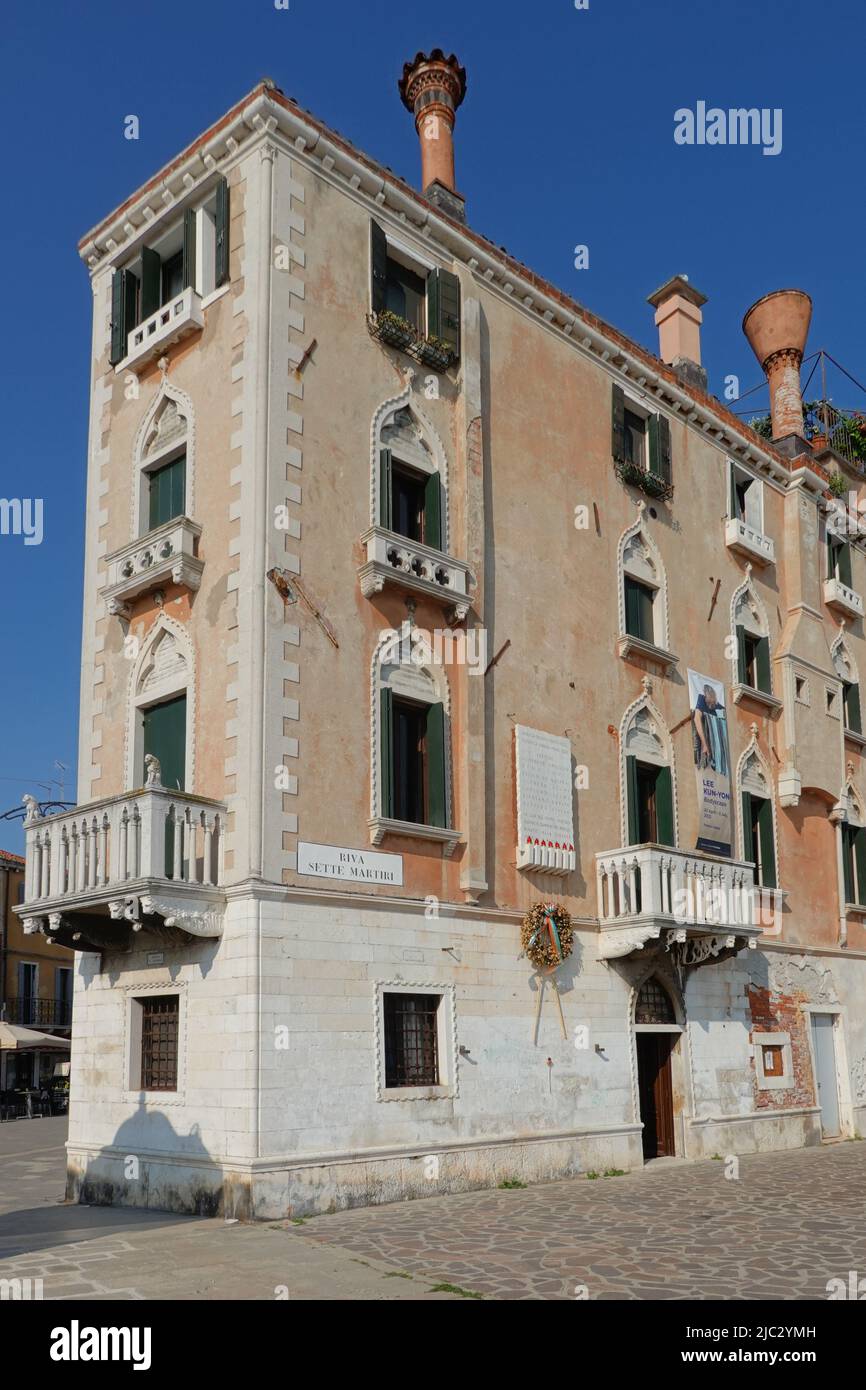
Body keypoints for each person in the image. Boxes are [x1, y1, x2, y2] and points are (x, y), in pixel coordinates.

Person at [693, 682, 729, 775]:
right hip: (717, 747)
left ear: (705, 693)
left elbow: (697, 718)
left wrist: (704, 745)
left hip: (710, 743)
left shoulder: (702, 698)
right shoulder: (718, 706)